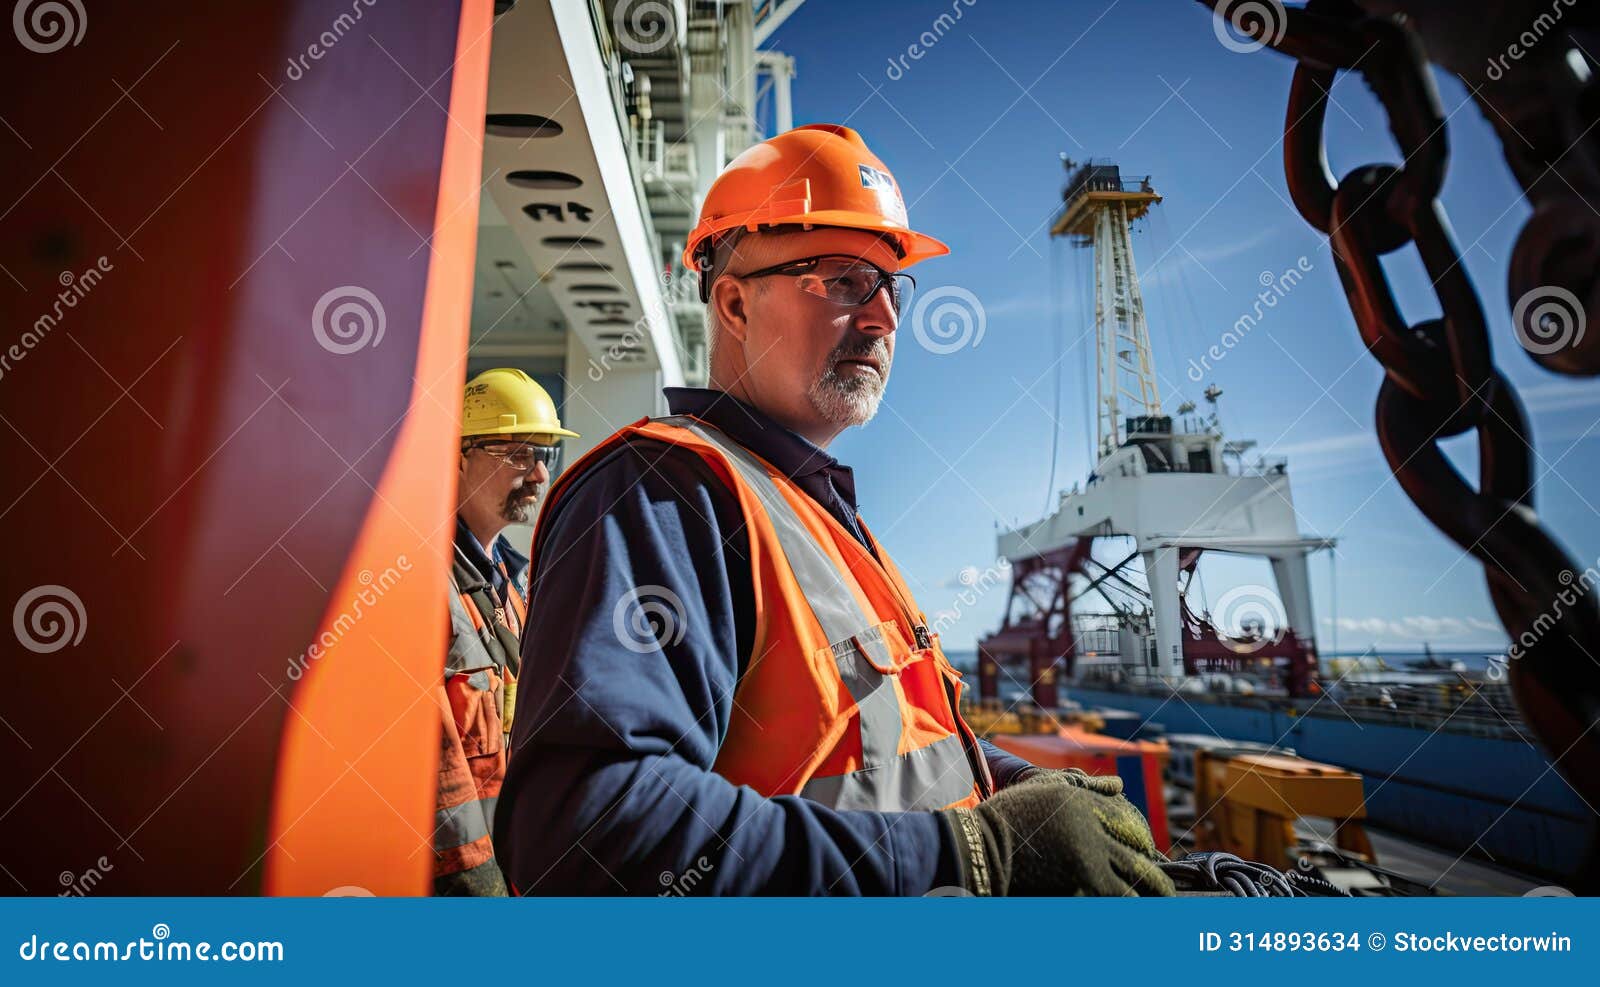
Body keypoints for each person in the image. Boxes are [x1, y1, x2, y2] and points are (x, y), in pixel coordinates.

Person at [495, 124, 1172, 896]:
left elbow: (890, 751)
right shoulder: (664, 497)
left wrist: (1020, 792)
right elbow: (587, 838)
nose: (884, 317)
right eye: (844, 280)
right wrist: (970, 853)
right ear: (734, 303)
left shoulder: (815, 516)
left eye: (891, 286)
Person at [434, 368, 578, 895]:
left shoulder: (514, 585)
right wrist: (478, 885)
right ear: (458, 456)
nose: (539, 474)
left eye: (544, 455)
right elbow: (434, 762)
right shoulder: (423, 583)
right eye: (518, 454)